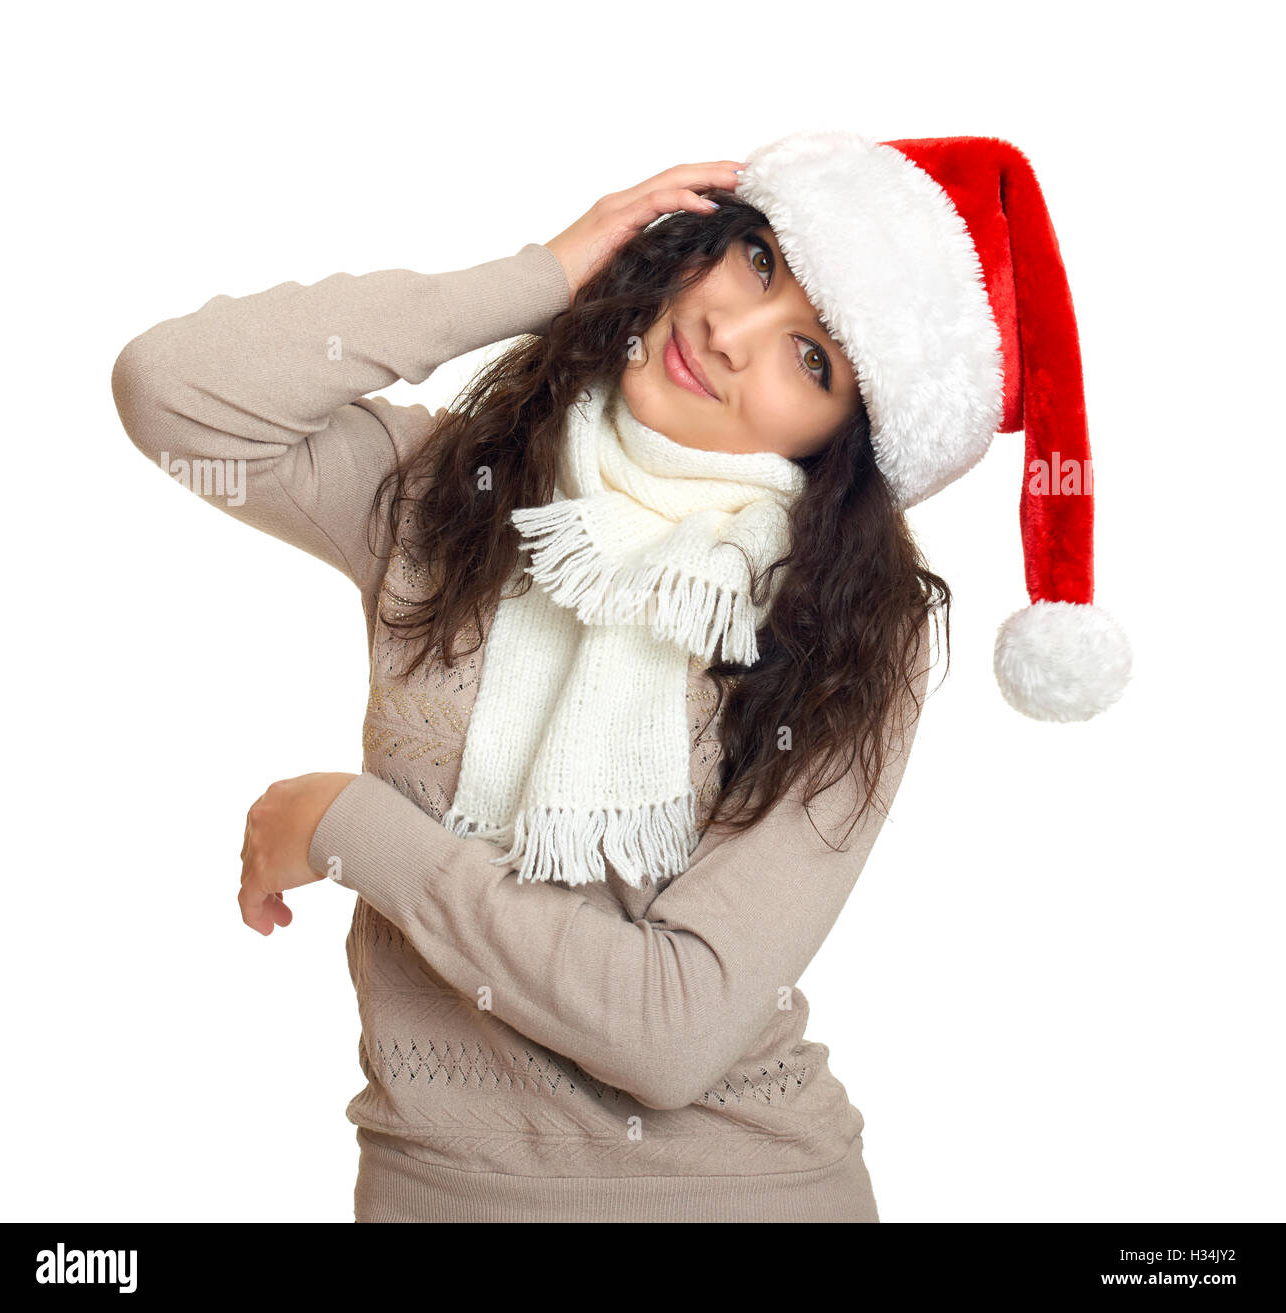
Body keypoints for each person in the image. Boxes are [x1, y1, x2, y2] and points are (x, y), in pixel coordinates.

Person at [111, 130, 1130, 1223]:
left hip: (740, 1190)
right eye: (758, 262)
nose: (732, 334)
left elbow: (672, 1027)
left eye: (814, 359)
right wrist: (542, 274)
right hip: (432, 1185)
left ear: (850, 438)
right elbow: (174, 391)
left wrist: (353, 827)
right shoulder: (445, 494)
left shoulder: (844, 631)